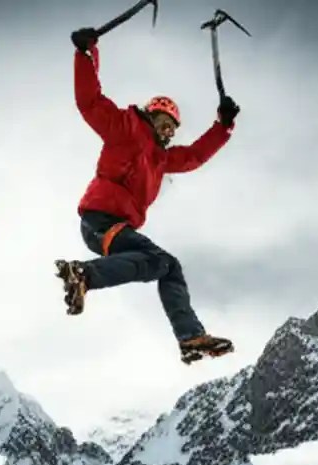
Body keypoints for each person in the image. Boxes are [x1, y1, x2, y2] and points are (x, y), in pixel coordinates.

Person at [56, 26, 240, 363]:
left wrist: (223, 126)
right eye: (164, 121)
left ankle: (190, 337)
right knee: (161, 262)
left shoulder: (163, 158)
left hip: (118, 226)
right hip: (99, 219)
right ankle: (85, 274)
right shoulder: (125, 127)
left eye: (173, 127)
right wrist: (85, 55)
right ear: (150, 115)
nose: (168, 130)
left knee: (168, 266)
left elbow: (196, 155)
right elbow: (89, 101)